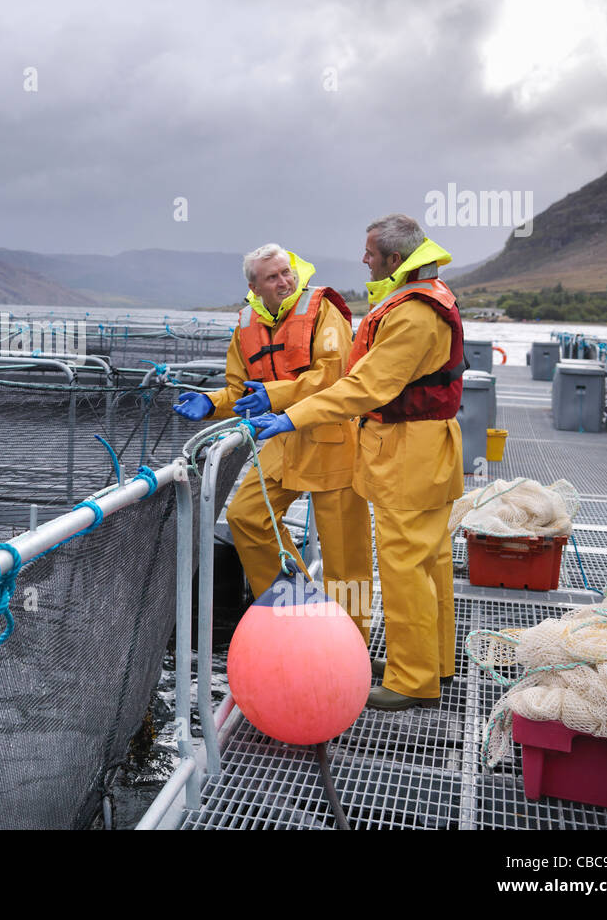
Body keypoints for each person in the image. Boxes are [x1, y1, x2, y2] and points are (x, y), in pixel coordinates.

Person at [248, 215, 465, 711]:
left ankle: (411, 681)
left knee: (404, 564)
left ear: (394, 259)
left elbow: (365, 387)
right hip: (427, 448)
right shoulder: (430, 296)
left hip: (410, 453)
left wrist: (292, 417)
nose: (364, 259)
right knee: (430, 559)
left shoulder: (411, 314)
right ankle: (432, 662)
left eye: (370, 252)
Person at [172, 245, 374, 644]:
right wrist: (211, 402)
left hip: (333, 440)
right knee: (246, 517)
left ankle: (351, 649)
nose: (284, 281)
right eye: (272, 277)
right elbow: (240, 390)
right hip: (281, 443)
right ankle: (298, 608)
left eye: (286, 272)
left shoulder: (322, 311)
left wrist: (274, 396)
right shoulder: (246, 324)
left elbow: (333, 375)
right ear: (254, 286)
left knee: (346, 559)